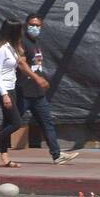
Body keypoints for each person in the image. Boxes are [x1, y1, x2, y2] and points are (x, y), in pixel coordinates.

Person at [18, 14, 78, 165]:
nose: (35, 28)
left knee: (47, 123)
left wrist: (39, 81)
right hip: (23, 92)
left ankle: (56, 155)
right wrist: (37, 78)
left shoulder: (36, 43)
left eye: (38, 25)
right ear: (26, 25)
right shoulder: (22, 43)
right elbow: (21, 64)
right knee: (12, 123)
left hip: (37, 94)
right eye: (32, 24)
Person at [0, 20, 24, 168]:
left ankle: (4, 157)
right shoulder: (2, 49)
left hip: (11, 88)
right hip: (2, 90)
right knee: (16, 123)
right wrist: (4, 95)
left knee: (7, 123)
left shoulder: (12, 48)